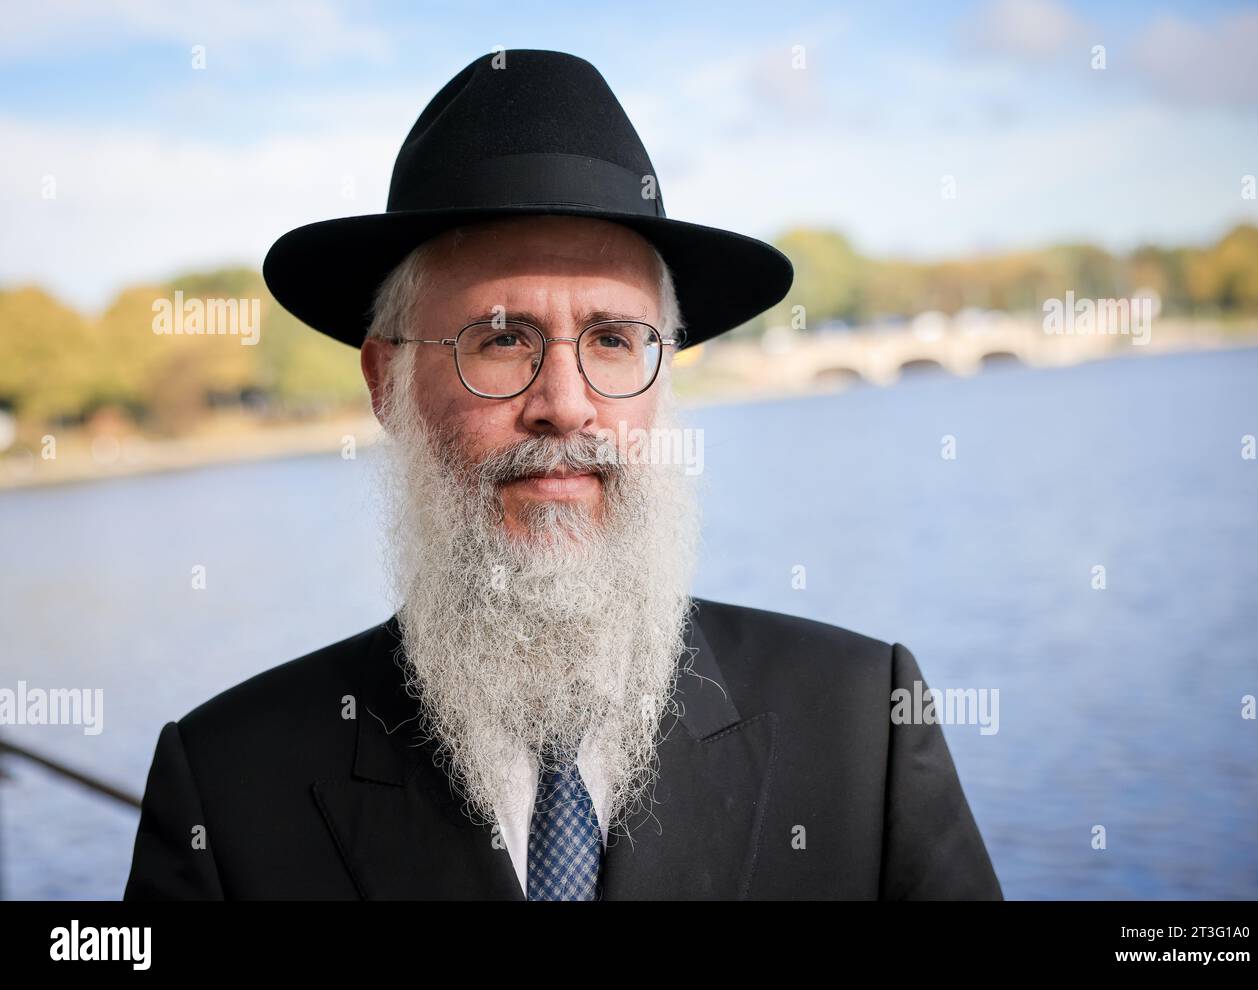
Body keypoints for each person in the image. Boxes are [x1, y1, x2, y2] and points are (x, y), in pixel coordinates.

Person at [124, 48, 1001, 901]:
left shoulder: (861, 724)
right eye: (501, 339)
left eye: (614, 340)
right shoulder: (230, 786)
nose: (567, 405)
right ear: (385, 384)